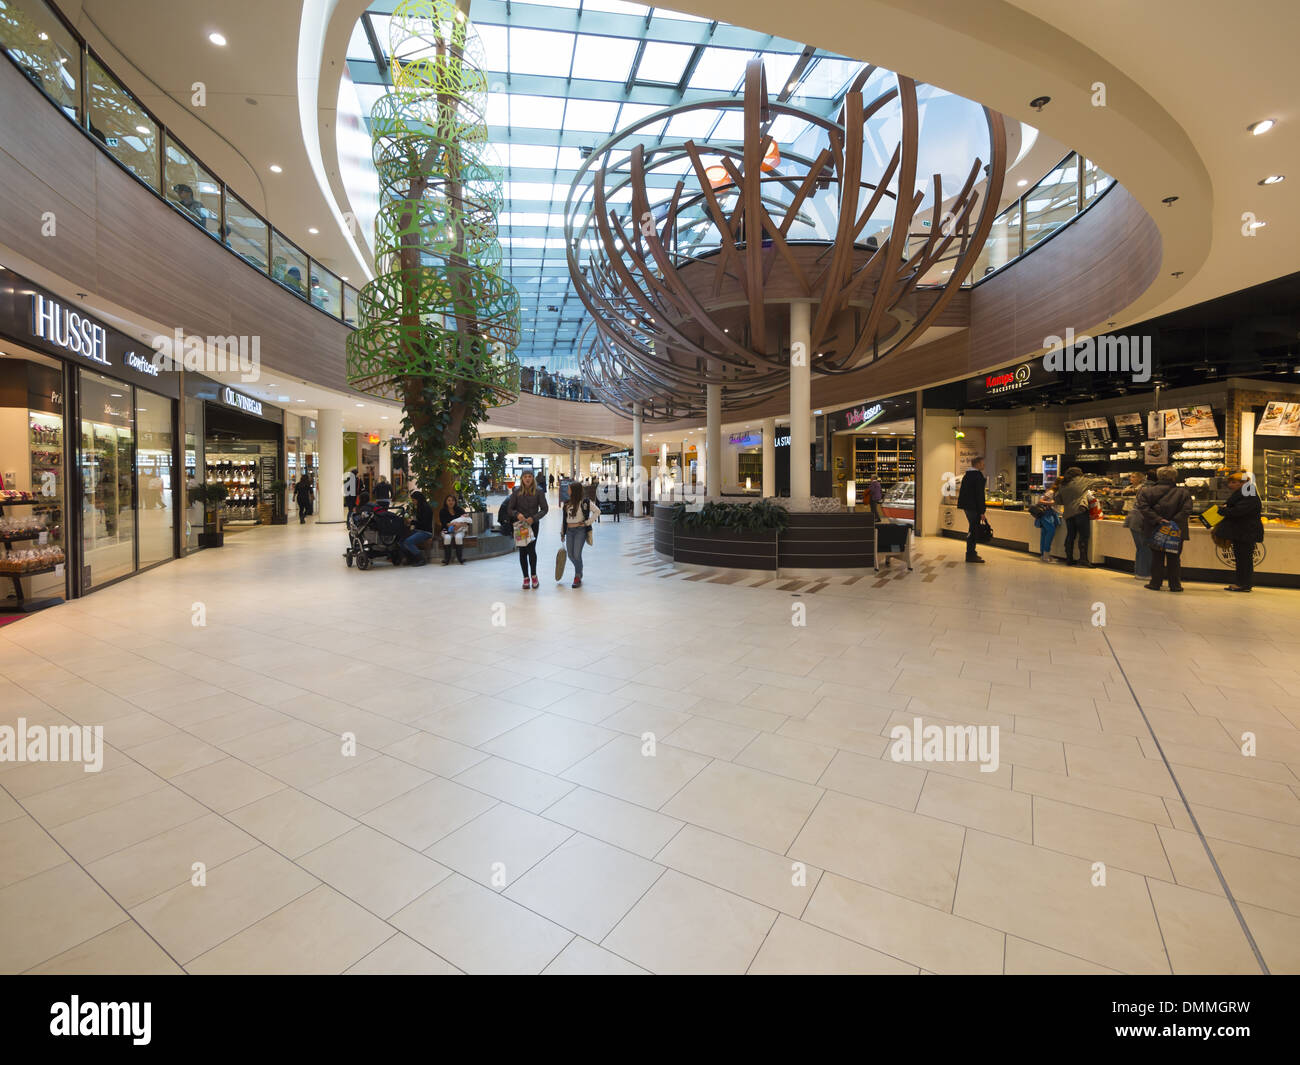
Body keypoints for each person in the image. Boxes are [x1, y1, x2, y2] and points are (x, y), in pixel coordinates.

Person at [1137, 465, 1193, 593]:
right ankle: (1175, 585)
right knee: (1174, 558)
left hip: (1155, 529)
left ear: (1158, 476)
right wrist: (1173, 521)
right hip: (1176, 530)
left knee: (1157, 558)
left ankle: (1155, 583)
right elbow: (1187, 510)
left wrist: (1158, 519)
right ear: (1174, 477)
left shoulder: (1147, 491)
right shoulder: (1183, 492)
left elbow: (1143, 508)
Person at [1215, 471, 1263, 592]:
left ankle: (1244, 584)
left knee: (1244, 559)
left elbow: (1239, 511)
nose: (1230, 485)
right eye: (1230, 482)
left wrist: (1223, 510)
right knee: (1242, 558)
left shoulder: (1249, 494)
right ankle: (1241, 583)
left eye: (1233, 482)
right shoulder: (1244, 493)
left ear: (1243, 483)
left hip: (1246, 531)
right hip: (1243, 531)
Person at [507, 469, 548, 589]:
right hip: (520, 525)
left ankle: (534, 576)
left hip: (533, 525)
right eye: (525, 477)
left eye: (530, 476)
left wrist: (534, 518)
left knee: (531, 550)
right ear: (522, 479)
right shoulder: (516, 491)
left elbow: (545, 509)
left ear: (533, 478)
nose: (527, 479)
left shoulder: (539, 491)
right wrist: (517, 514)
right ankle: (525, 577)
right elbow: (509, 509)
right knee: (522, 551)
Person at [1056, 466, 1102, 567]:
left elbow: (1058, 499)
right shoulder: (1082, 480)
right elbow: (1098, 481)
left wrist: (1068, 501)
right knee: (1084, 536)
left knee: (1070, 535)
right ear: (1079, 473)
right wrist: (1109, 480)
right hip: (1080, 512)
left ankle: (1069, 559)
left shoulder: (1063, 484)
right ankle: (1083, 559)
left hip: (1068, 514)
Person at [560, 481, 593, 587]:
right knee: (570, 555)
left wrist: (587, 522)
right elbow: (564, 520)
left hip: (580, 530)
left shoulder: (584, 502)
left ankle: (577, 576)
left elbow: (597, 511)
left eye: (569, 489)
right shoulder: (567, 503)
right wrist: (562, 532)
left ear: (574, 491)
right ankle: (579, 569)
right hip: (569, 531)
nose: (567, 491)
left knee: (577, 554)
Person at [957, 457, 987, 563]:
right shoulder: (977, 476)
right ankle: (970, 554)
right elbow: (979, 495)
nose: (984, 465)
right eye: (982, 463)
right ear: (977, 464)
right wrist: (982, 511)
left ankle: (971, 553)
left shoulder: (967, 475)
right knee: (973, 530)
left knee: (972, 529)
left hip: (967, 506)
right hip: (974, 507)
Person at [1124, 471, 1152, 580]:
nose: (1131, 478)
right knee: (1144, 548)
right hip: (1140, 520)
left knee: (1141, 548)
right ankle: (1143, 573)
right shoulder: (1147, 489)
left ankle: (1139, 572)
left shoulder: (1142, 488)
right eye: (1130, 476)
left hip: (1134, 519)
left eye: (1133, 476)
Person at [400, 490, 434, 565]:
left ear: (418, 499)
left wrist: (412, 522)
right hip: (419, 530)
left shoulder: (426, 508)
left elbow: (424, 524)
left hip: (425, 532)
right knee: (401, 540)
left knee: (408, 542)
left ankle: (421, 559)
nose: (413, 502)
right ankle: (410, 558)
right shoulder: (419, 507)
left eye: (414, 500)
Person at [439, 492, 468, 565]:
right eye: (449, 500)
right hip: (446, 530)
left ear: (455, 502)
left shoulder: (460, 510)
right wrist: (454, 525)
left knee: (458, 537)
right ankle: (447, 559)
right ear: (446, 502)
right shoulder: (442, 511)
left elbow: (467, 521)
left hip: (459, 530)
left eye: (452, 500)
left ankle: (460, 559)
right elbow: (444, 523)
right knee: (447, 538)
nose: (451, 502)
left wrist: (459, 525)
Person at [1034, 485, 1061, 562]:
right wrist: (1051, 503)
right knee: (1050, 532)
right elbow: (1040, 501)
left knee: (1044, 533)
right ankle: (1046, 555)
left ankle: (1044, 555)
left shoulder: (1055, 492)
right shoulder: (1051, 492)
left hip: (1048, 514)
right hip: (1046, 514)